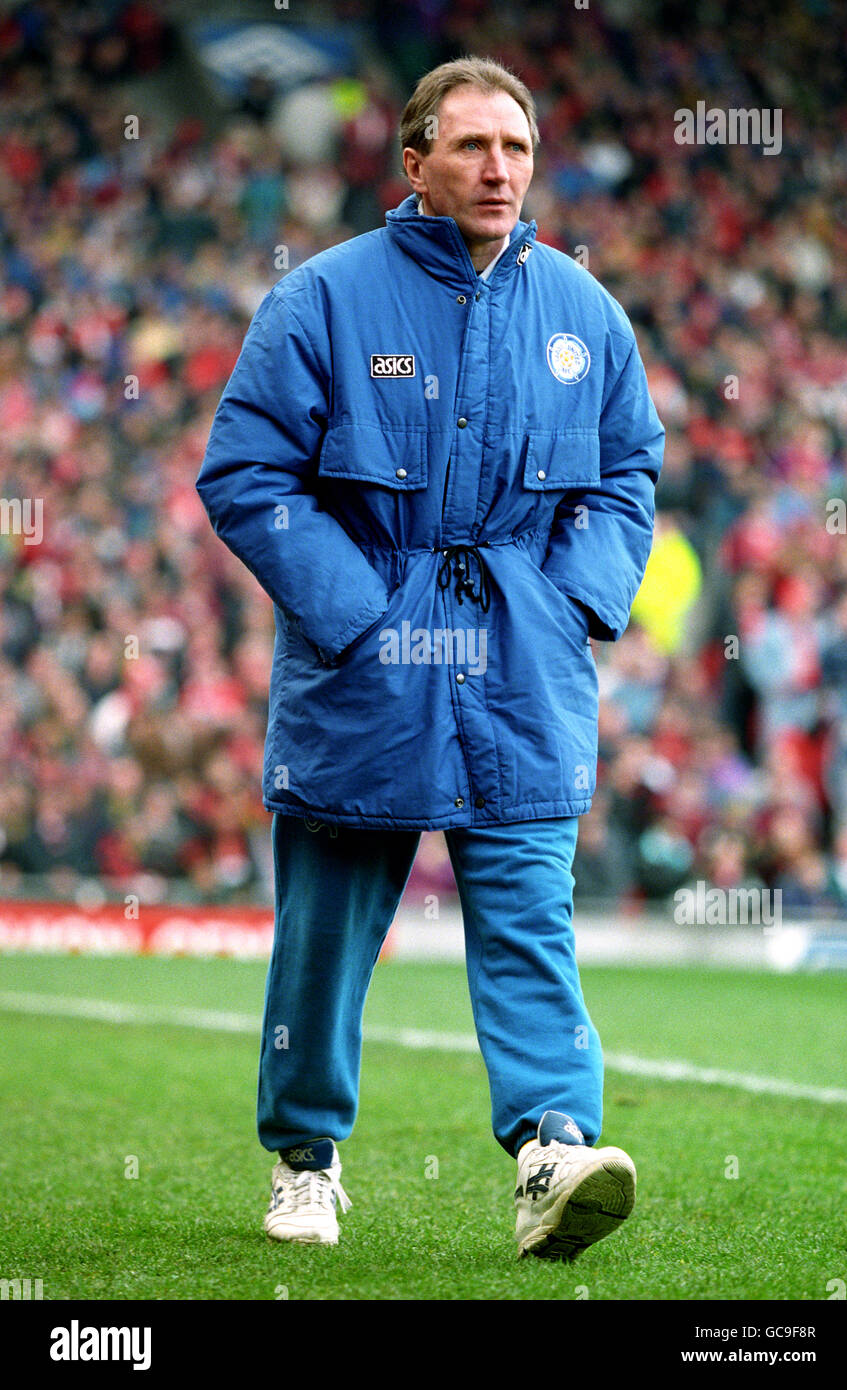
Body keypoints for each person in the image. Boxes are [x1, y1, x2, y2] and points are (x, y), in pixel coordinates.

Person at [196, 56, 664, 1262]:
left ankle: (553, 1148)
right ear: (414, 163)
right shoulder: (322, 300)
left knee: (526, 921)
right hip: (368, 670)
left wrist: (567, 603)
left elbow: (625, 477)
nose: (496, 168)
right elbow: (244, 474)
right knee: (325, 934)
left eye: (513, 147)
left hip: (521, 666)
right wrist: (357, 616)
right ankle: (305, 1161)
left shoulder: (584, 312)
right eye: (469, 147)